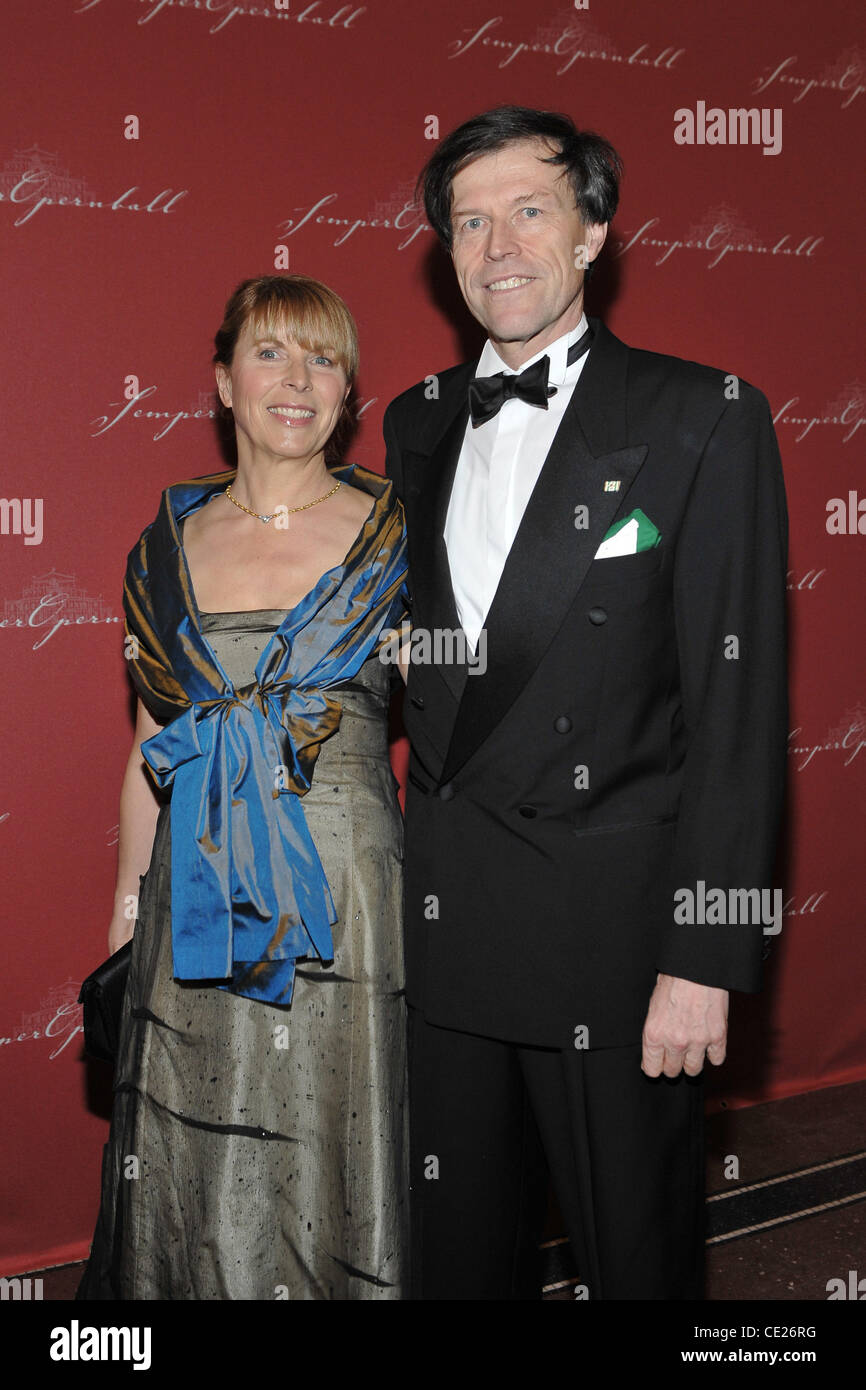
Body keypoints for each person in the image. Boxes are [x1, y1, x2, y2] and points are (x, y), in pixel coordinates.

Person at [383, 105, 788, 1300]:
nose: (495, 245)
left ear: (593, 232)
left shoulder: (701, 414)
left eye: (528, 210)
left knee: (637, 1265)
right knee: (457, 1264)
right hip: (448, 929)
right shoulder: (413, 423)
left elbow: (739, 708)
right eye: (468, 220)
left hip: (611, 949)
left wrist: (705, 957)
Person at [78, 273, 410, 1300]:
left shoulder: (397, 534)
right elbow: (152, 743)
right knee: (198, 1139)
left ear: (347, 390)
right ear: (222, 381)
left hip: (344, 891)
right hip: (197, 886)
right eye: (271, 353)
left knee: (331, 1130)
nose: (298, 379)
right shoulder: (163, 549)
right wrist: (129, 907)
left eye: (324, 358)